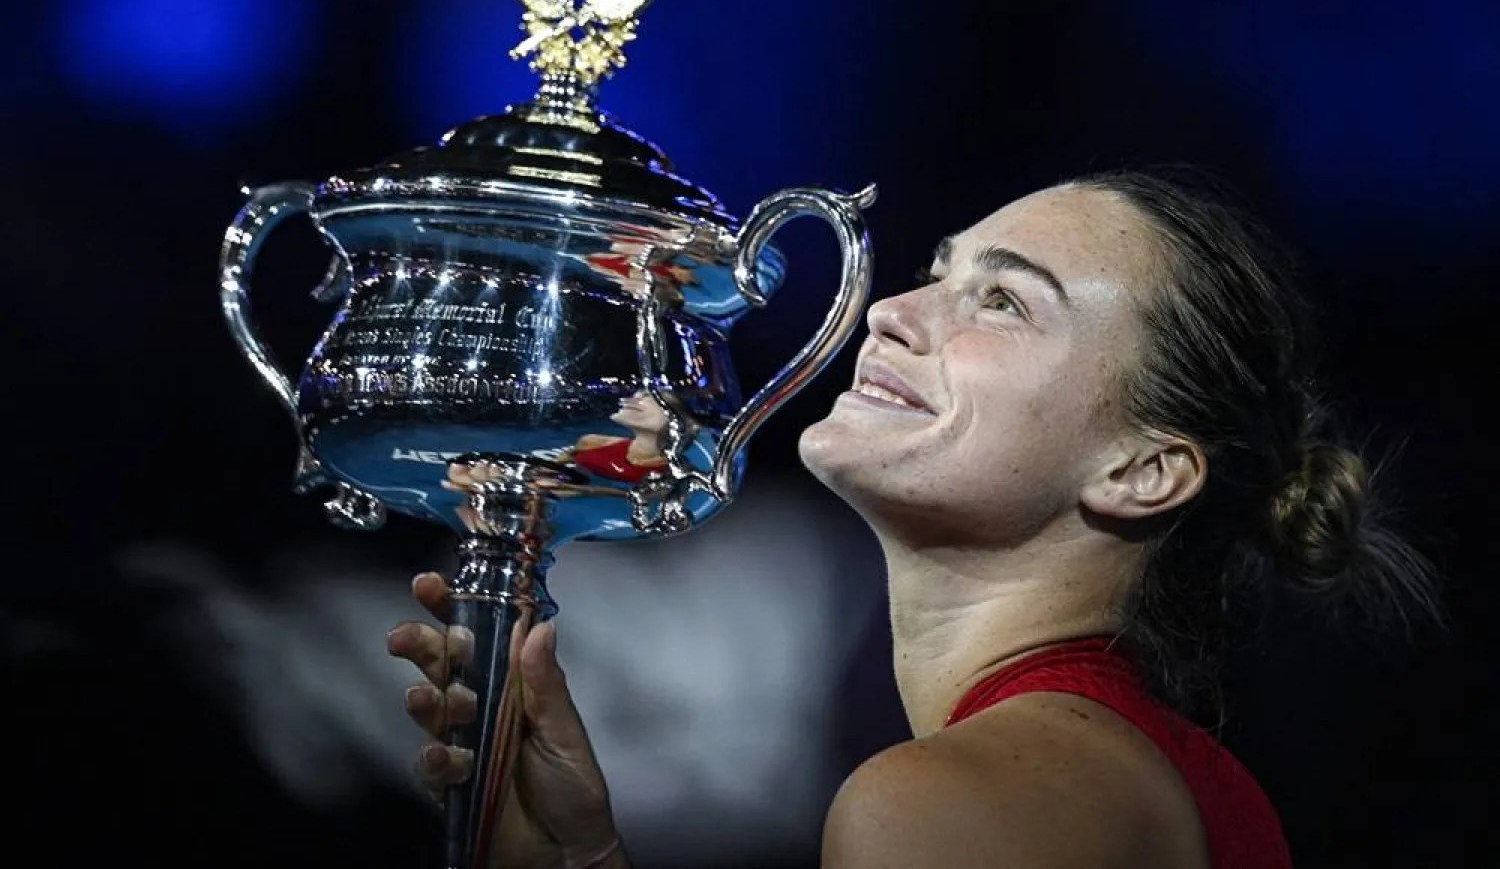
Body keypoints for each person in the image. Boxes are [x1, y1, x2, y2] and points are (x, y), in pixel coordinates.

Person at [387, 170, 1441, 868]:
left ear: (1143, 472)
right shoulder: (1121, 773)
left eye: (1004, 301)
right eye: (942, 272)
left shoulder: (951, 805)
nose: (893, 311)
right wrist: (581, 857)